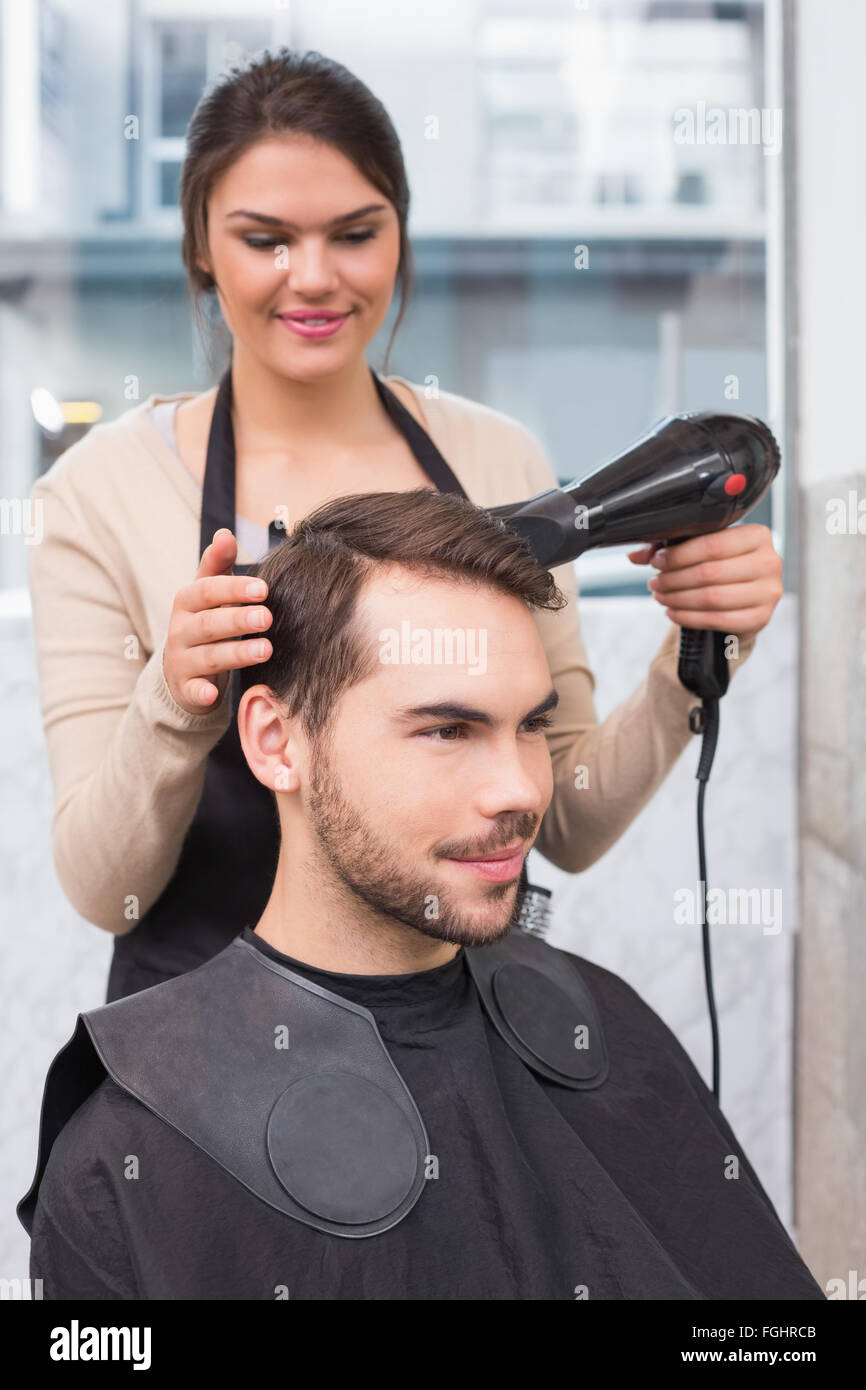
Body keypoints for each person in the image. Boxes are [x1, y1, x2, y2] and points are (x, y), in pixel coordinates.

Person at [26, 48, 783, 1002]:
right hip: (197, 1049)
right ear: (199, 250)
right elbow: (108, 892)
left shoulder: (497, 459)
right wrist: (171, 705)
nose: (312, 278)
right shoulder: (100, 494)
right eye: (264, 239)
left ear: (400, 238)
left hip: (460, 1026)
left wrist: (699, 648)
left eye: (354, 233)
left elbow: (571, 828)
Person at [19, 488, 818, 1301]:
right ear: (275, 741)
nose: (518, 791)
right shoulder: (128, 1154)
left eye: (533, 726)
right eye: (447, 731)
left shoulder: (605, 1026)